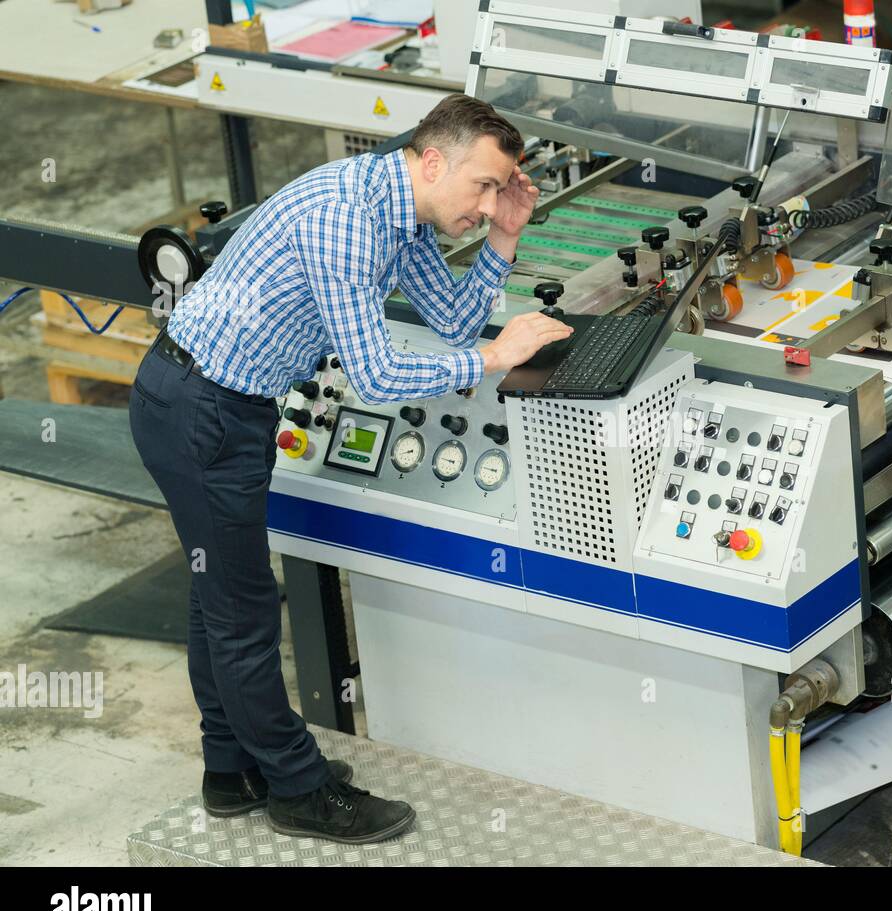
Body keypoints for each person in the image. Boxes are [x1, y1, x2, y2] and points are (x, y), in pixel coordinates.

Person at [129, 94, 572, 844]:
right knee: (244, 609)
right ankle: (297, 789)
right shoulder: (348, 219)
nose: (490, 200)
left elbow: (453, 321)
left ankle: (229, 771)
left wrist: (503, 237)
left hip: (222, 406)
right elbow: (376, 374)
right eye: (486, 186)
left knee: (222, 598)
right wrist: (498, 358)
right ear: (434, 160)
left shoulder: (400, 211)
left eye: (502, 189)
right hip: (199, 409)